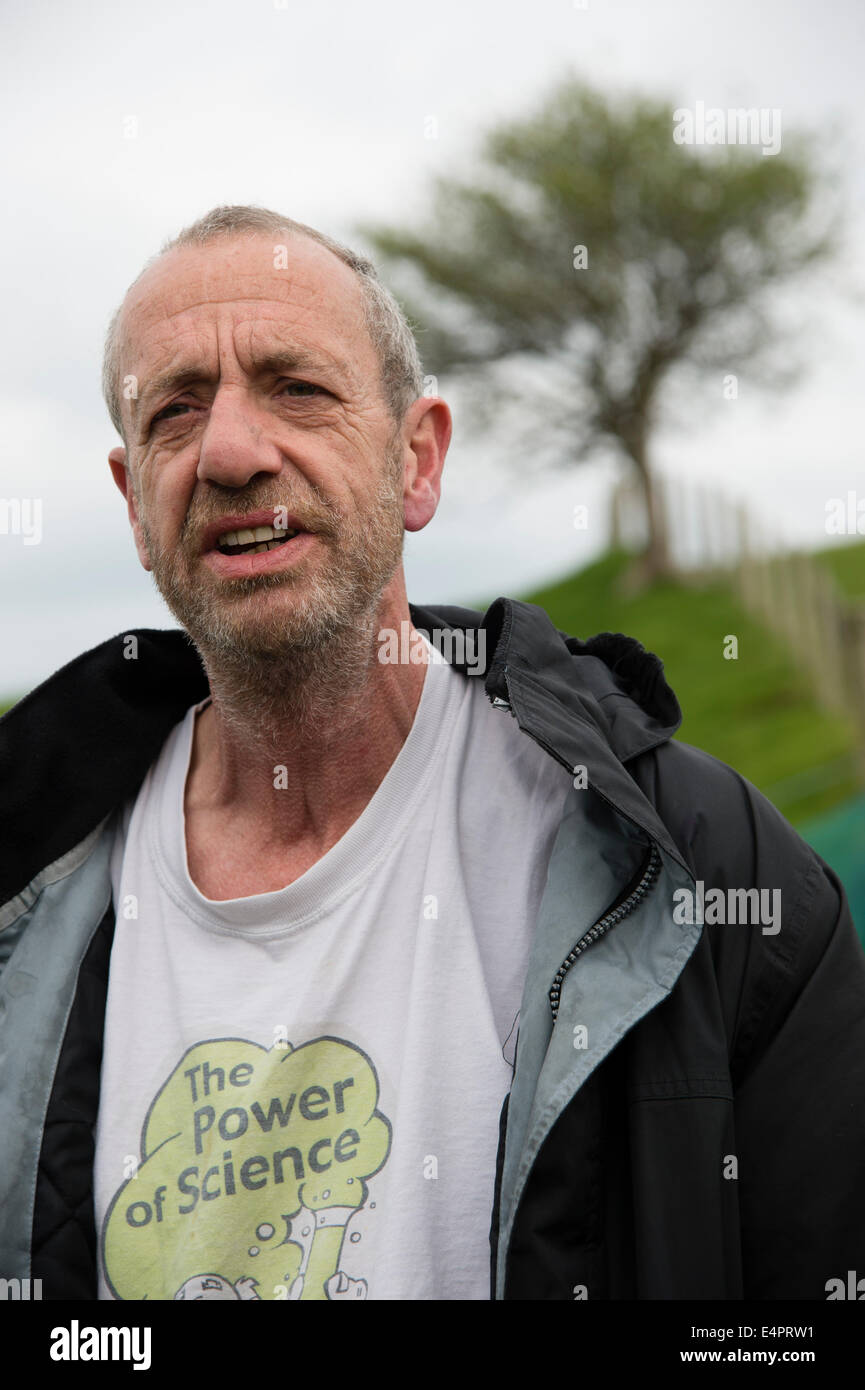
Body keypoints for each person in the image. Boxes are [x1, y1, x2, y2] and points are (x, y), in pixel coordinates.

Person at [1, 204, 863, 1303]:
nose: (228, 451)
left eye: (296, 387)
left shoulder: (705, 873)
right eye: (176, 410)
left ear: (417, 460)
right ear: (134, 505)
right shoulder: (24, 906)